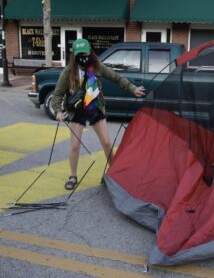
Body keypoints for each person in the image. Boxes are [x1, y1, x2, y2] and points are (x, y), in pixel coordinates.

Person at [51, 38, 145, 190]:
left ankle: (114, 173)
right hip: (76, 109)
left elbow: (116, 77)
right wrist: (58, 111)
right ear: (74, 56)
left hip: (94, 106)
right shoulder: (68, 71)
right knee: (74, 146)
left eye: (85, 53)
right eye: (79, 54)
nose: (83, 57)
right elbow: (58, 94)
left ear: (91, 52)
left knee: (107, 142)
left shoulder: (97, 67)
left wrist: (132, 88)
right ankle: (73, 176)